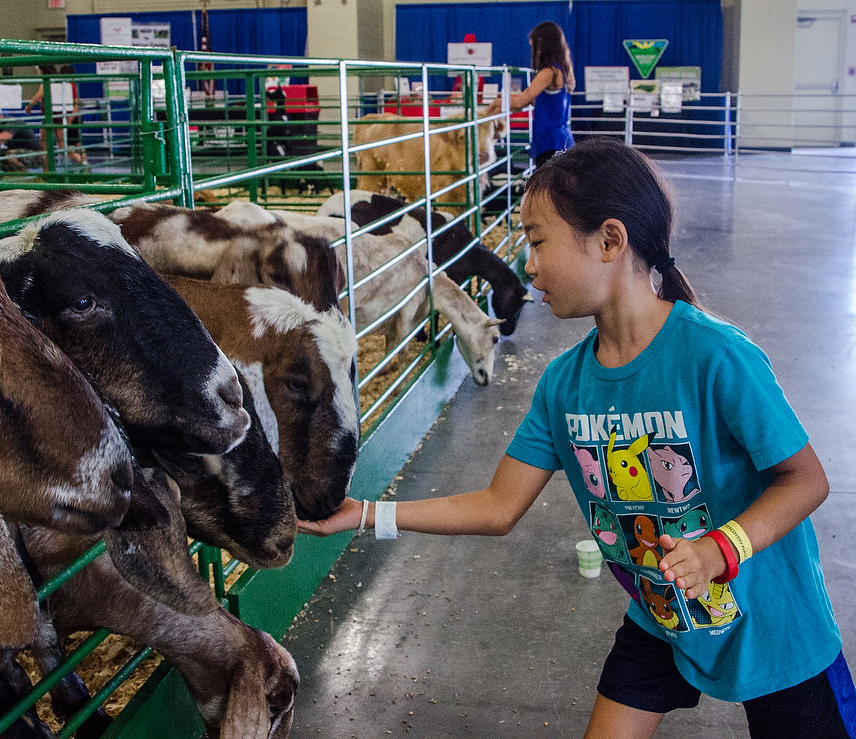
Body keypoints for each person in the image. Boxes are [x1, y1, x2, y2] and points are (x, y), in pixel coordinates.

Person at [299, 138, 855, 737]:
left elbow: (807, 479)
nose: (528, 264)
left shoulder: (717, 358)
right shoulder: (565, 383)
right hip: (662, 614)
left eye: (538, 241)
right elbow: (496, 506)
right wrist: (362, 515)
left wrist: (722, 549)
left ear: (610, 241)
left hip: (775, 625)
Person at [490, 21, 575, 168]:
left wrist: (494, 104)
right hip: (559, 139)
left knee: (546, 186)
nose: (536, 52)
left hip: (550, 142)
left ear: (543, 44)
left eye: (535, 46)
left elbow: (521, 101)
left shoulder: (549, 73)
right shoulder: (563, 70)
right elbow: (536, 100)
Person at [25, 64, 84, 164]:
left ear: (42, 70)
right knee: (62, 145)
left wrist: (29, 106)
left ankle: (48, 168)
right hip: (60, 116)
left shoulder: (47, 81)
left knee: (45, 144)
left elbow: (39, 94)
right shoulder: (62, 82)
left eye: (38, 70)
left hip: (49, 116)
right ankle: (82, 162)